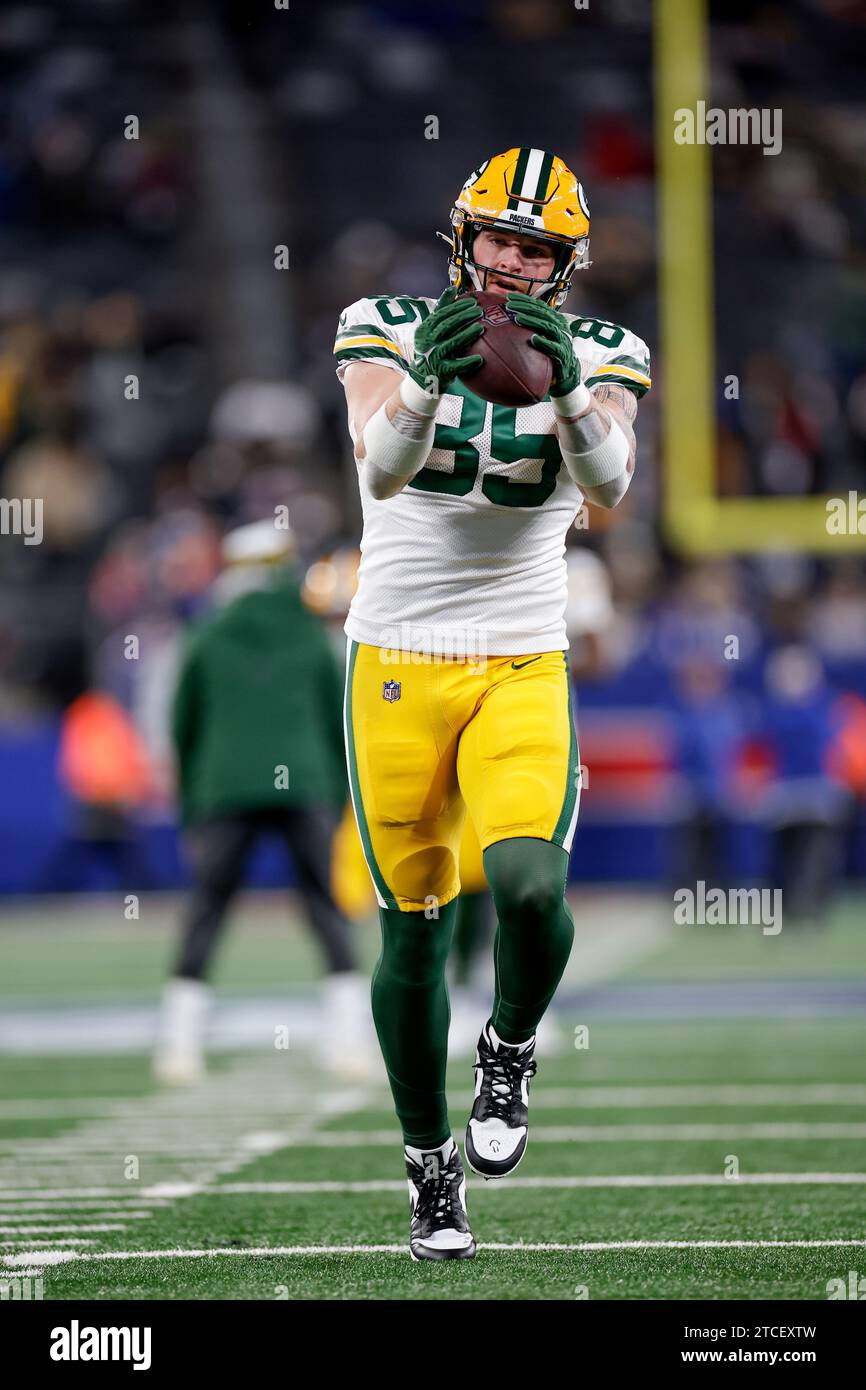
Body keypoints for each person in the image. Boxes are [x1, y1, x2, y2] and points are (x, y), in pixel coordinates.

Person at [335, 147, 651, 1259]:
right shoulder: (381, 322)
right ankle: (427, 1168)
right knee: (413, 933)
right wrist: (424, 375)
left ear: (564, 263)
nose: (511, 260)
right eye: (497, 237)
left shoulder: (605, 349)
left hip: (520, 652)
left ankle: (507, 1048)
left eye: (535, 246)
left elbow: (609, 487)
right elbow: (379, 468)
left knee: (524, 883)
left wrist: (567, 387)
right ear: (460, 235)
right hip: (396, 662)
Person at [153, 520, 373, 1084]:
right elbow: (339, 718)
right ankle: (346, 1043)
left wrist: (190, 801)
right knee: (325, 907)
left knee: (208, 908)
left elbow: (182, 725)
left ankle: (180, 1045)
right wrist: (340, 792)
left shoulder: (206, 632)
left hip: (224, 788)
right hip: (304, 783)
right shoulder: (310, 632)